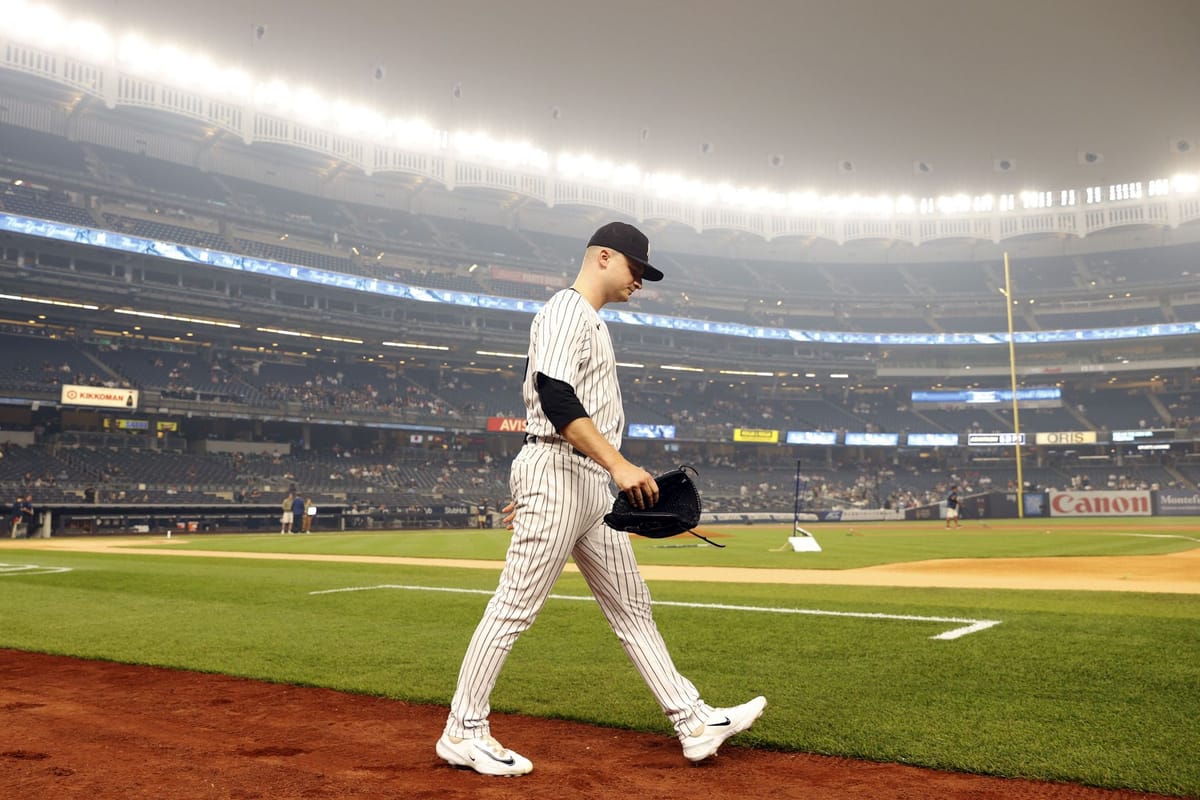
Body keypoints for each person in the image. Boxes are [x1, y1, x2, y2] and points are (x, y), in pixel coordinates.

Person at [436, 222, 766, 777]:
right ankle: (463, 731)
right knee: (515, 606)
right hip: (563, 471)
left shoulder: (592, 323)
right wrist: (610, 466)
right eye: (636, 268)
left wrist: (588, 476)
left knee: (633, 608)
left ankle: (692, 720)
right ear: (604, 257)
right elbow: (554, 395)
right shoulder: (566, 309)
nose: (641, 280)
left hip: (582, 481)